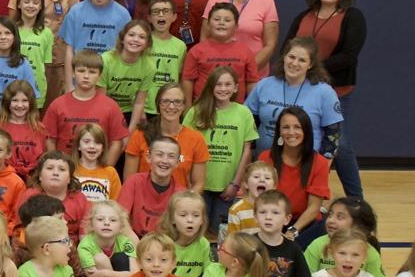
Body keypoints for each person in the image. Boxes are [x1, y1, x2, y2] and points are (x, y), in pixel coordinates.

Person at [283, 0, 367, 200]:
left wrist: (311, 69)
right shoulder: (304, 16)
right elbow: (286, 49)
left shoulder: (352, 16)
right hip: (300, 90)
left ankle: (356, 200)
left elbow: (349, 56)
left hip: (336, 91)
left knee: (341, 145)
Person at [184, 68, 258, 231]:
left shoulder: (244, 113)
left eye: (227, 84)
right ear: (211, 87)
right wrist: (189, 181)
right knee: (195, 229)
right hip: (198, 184)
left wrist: (236, 183)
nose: (223, 89)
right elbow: (185, 147)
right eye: (218, 84)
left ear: (236, 88)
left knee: (220, 231)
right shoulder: (196, 111)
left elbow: (246, 151)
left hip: (228, 186)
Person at [245, 38, 343, 157]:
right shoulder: (264, 85)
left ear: (310, 65)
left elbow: (333, 136)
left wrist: (322, 168)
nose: (295, 63)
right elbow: (249, 124)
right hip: (264, 166)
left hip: (306, 164)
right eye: (291, 57)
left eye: (302, 60)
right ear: (284, 57)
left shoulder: (325, 92)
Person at [258, 107, 332, 245]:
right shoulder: (266, 158)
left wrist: (292, 231)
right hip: (271, 219)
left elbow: (314, 208)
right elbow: (258, 198)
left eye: (297, 127)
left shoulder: (320, 163)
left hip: (304, 224)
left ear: (306, 131)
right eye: (286, 127)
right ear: (279, 132)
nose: (291, 132)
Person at [56, 0, 130, 95]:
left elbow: (125, 51)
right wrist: (69, 85)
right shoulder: (76, 11)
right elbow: (69, 51)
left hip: (109, 80)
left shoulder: (122, 14)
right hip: (79, 79)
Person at [126, 83, 208, 192]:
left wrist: (184, 202)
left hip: (178, 204)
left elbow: (198, 184)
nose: (171, 106)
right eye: (165, 101)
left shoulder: (196, 139)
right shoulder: (140, 135)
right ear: (158, 105)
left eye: (177, 102)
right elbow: (129, 180)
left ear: (184, 106)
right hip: (143, 202)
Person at [182, 4, 259, 102]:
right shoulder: (196, 51)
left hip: (235, 109)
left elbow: (252, 81)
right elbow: (188, 80)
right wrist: (187, 109)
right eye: (217, 19)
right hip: (203, 108)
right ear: (208, 24)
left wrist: (249, 110)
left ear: (236, 26)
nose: (221, 23)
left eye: (227, 20)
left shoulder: (246, 51)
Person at [0, 81, 47, 175]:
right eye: (15, 100)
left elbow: (44, 159)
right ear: (7, 102)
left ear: (31, 103)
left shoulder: (39, 128)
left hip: (33, 179)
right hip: (5, 178)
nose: (20, 105)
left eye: (25, 100)